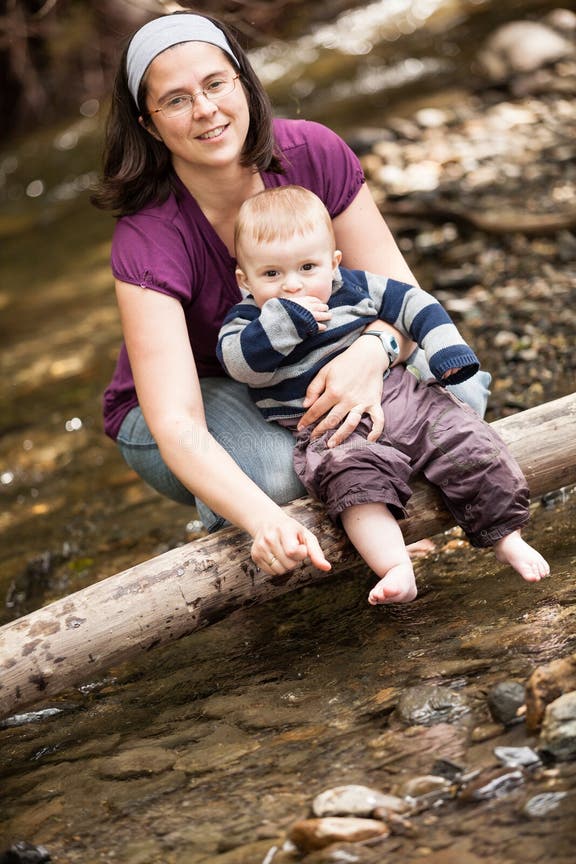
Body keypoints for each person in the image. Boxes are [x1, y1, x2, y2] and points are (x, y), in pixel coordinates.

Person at [92, 10, 491, 575]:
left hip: (318, 358)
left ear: (242, 83)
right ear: (150, 124)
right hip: (193, 399)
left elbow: (401, 294)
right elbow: (177, 422)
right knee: (283, 478)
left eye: (214, 84)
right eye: (176, 100)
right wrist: (264, 521)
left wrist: (367, 358)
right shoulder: (147, 235)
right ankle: (243, 498)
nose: (205, 110)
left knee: (464, 389)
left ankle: (372, 498)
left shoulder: (313, 153)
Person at [217, 185, 550, 603]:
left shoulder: (354, 287)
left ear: (333, 263)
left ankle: (506, 535)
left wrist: (445, 347)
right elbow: (238, 363)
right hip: (332, 428)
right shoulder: (247, 321)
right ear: (244, 280)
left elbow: (414, 303)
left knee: (466, 438)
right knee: (353, 485)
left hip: (401, 396)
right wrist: (283, 324)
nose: (292, 286)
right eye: (271, 274)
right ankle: (395, 565)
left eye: (307, 267)